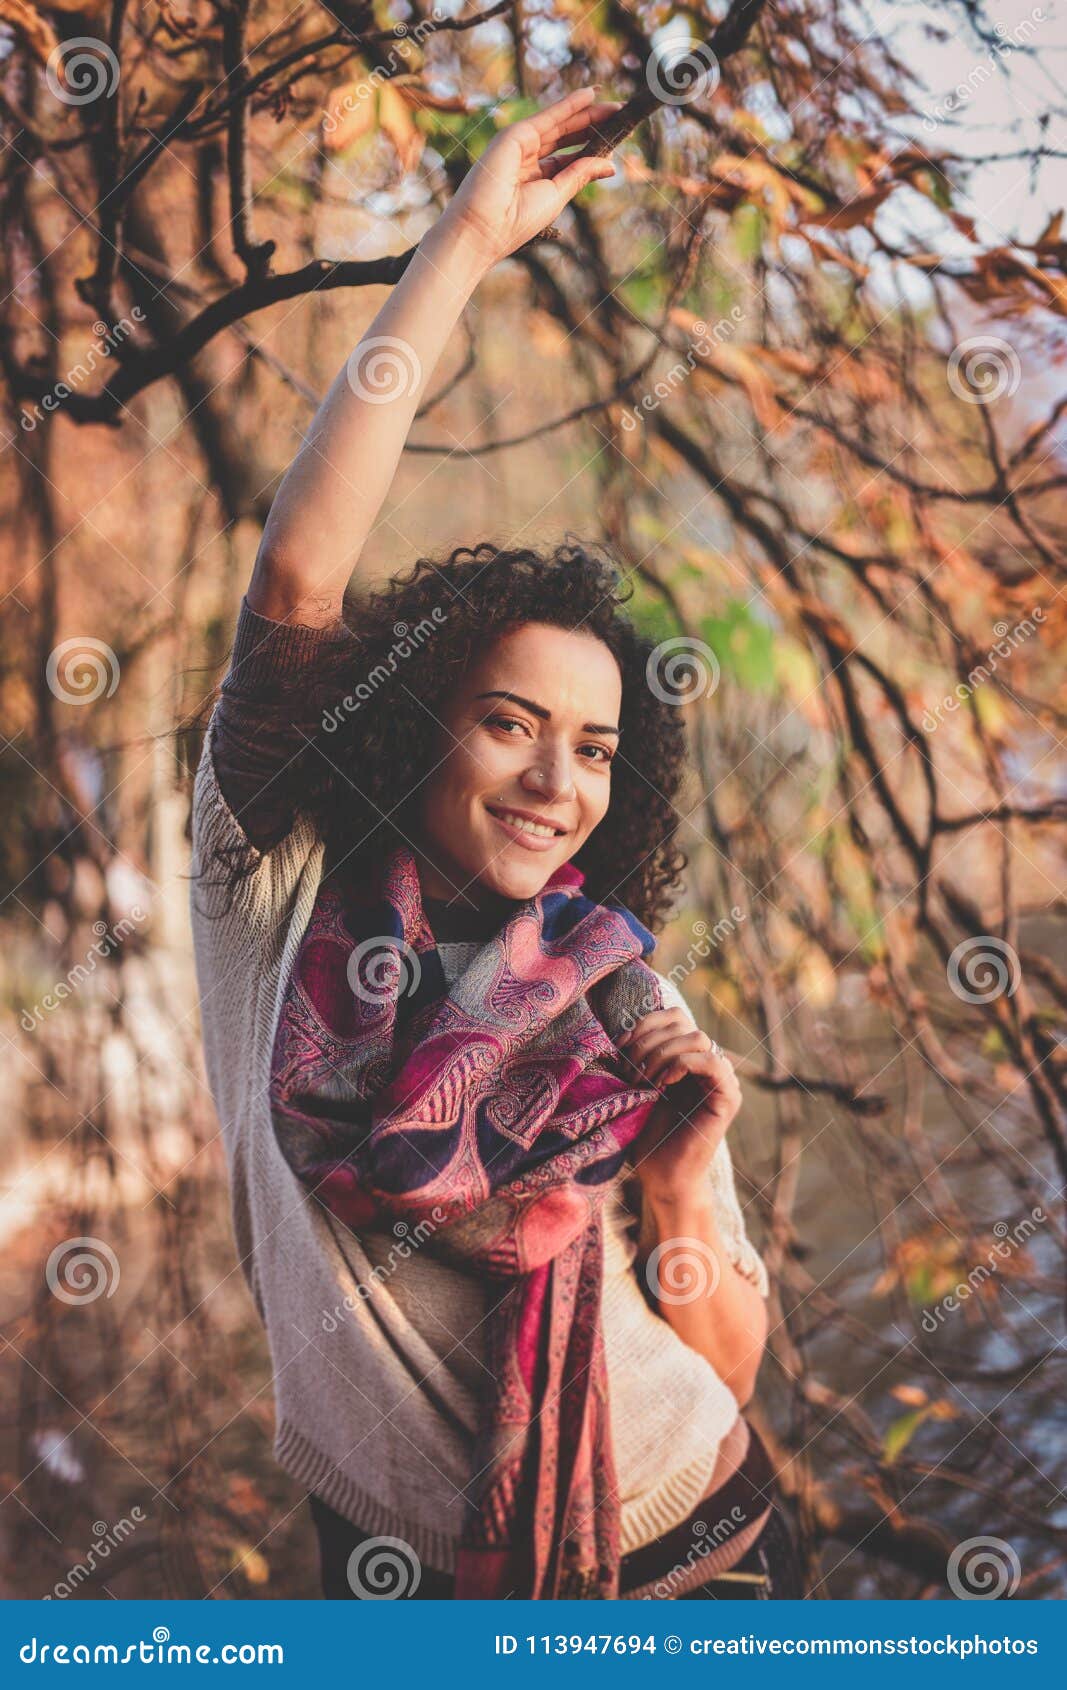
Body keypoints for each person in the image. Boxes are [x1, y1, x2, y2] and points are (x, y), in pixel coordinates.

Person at [189, 87, 801, 1601]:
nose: (555, 780)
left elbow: (727, 1361)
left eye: (594, 747)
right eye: (511, 723)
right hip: (404, 1577)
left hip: (712, 1558)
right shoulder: (271, 895)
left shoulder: (615, 989)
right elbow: (296, 577)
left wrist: (684, 1173)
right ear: (415, 725)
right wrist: (463, 242)